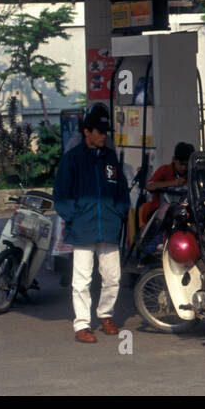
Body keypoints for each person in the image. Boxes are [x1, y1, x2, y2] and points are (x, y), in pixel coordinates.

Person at [53, 108, 130, 343]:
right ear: (87, 132)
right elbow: (61, 195)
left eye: (106, 131)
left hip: (108, 227)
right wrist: (73, 217)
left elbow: (121, 191)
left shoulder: (110, 158)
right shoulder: (72, 158)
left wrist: (118, 212)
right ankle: (82, 324)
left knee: (113, 277)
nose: (104, 135)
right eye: (99, 131)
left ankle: (106, 315)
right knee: (81, 280)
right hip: (82, 229)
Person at [138, 141, 193, 226]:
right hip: (159, 214)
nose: (184, 168)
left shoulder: (191, 174)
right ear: (174, 160)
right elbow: (149, 186)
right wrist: (172, 183)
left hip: (182, 212)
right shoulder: (164, 170)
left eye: (186, 165)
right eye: (181, 164)